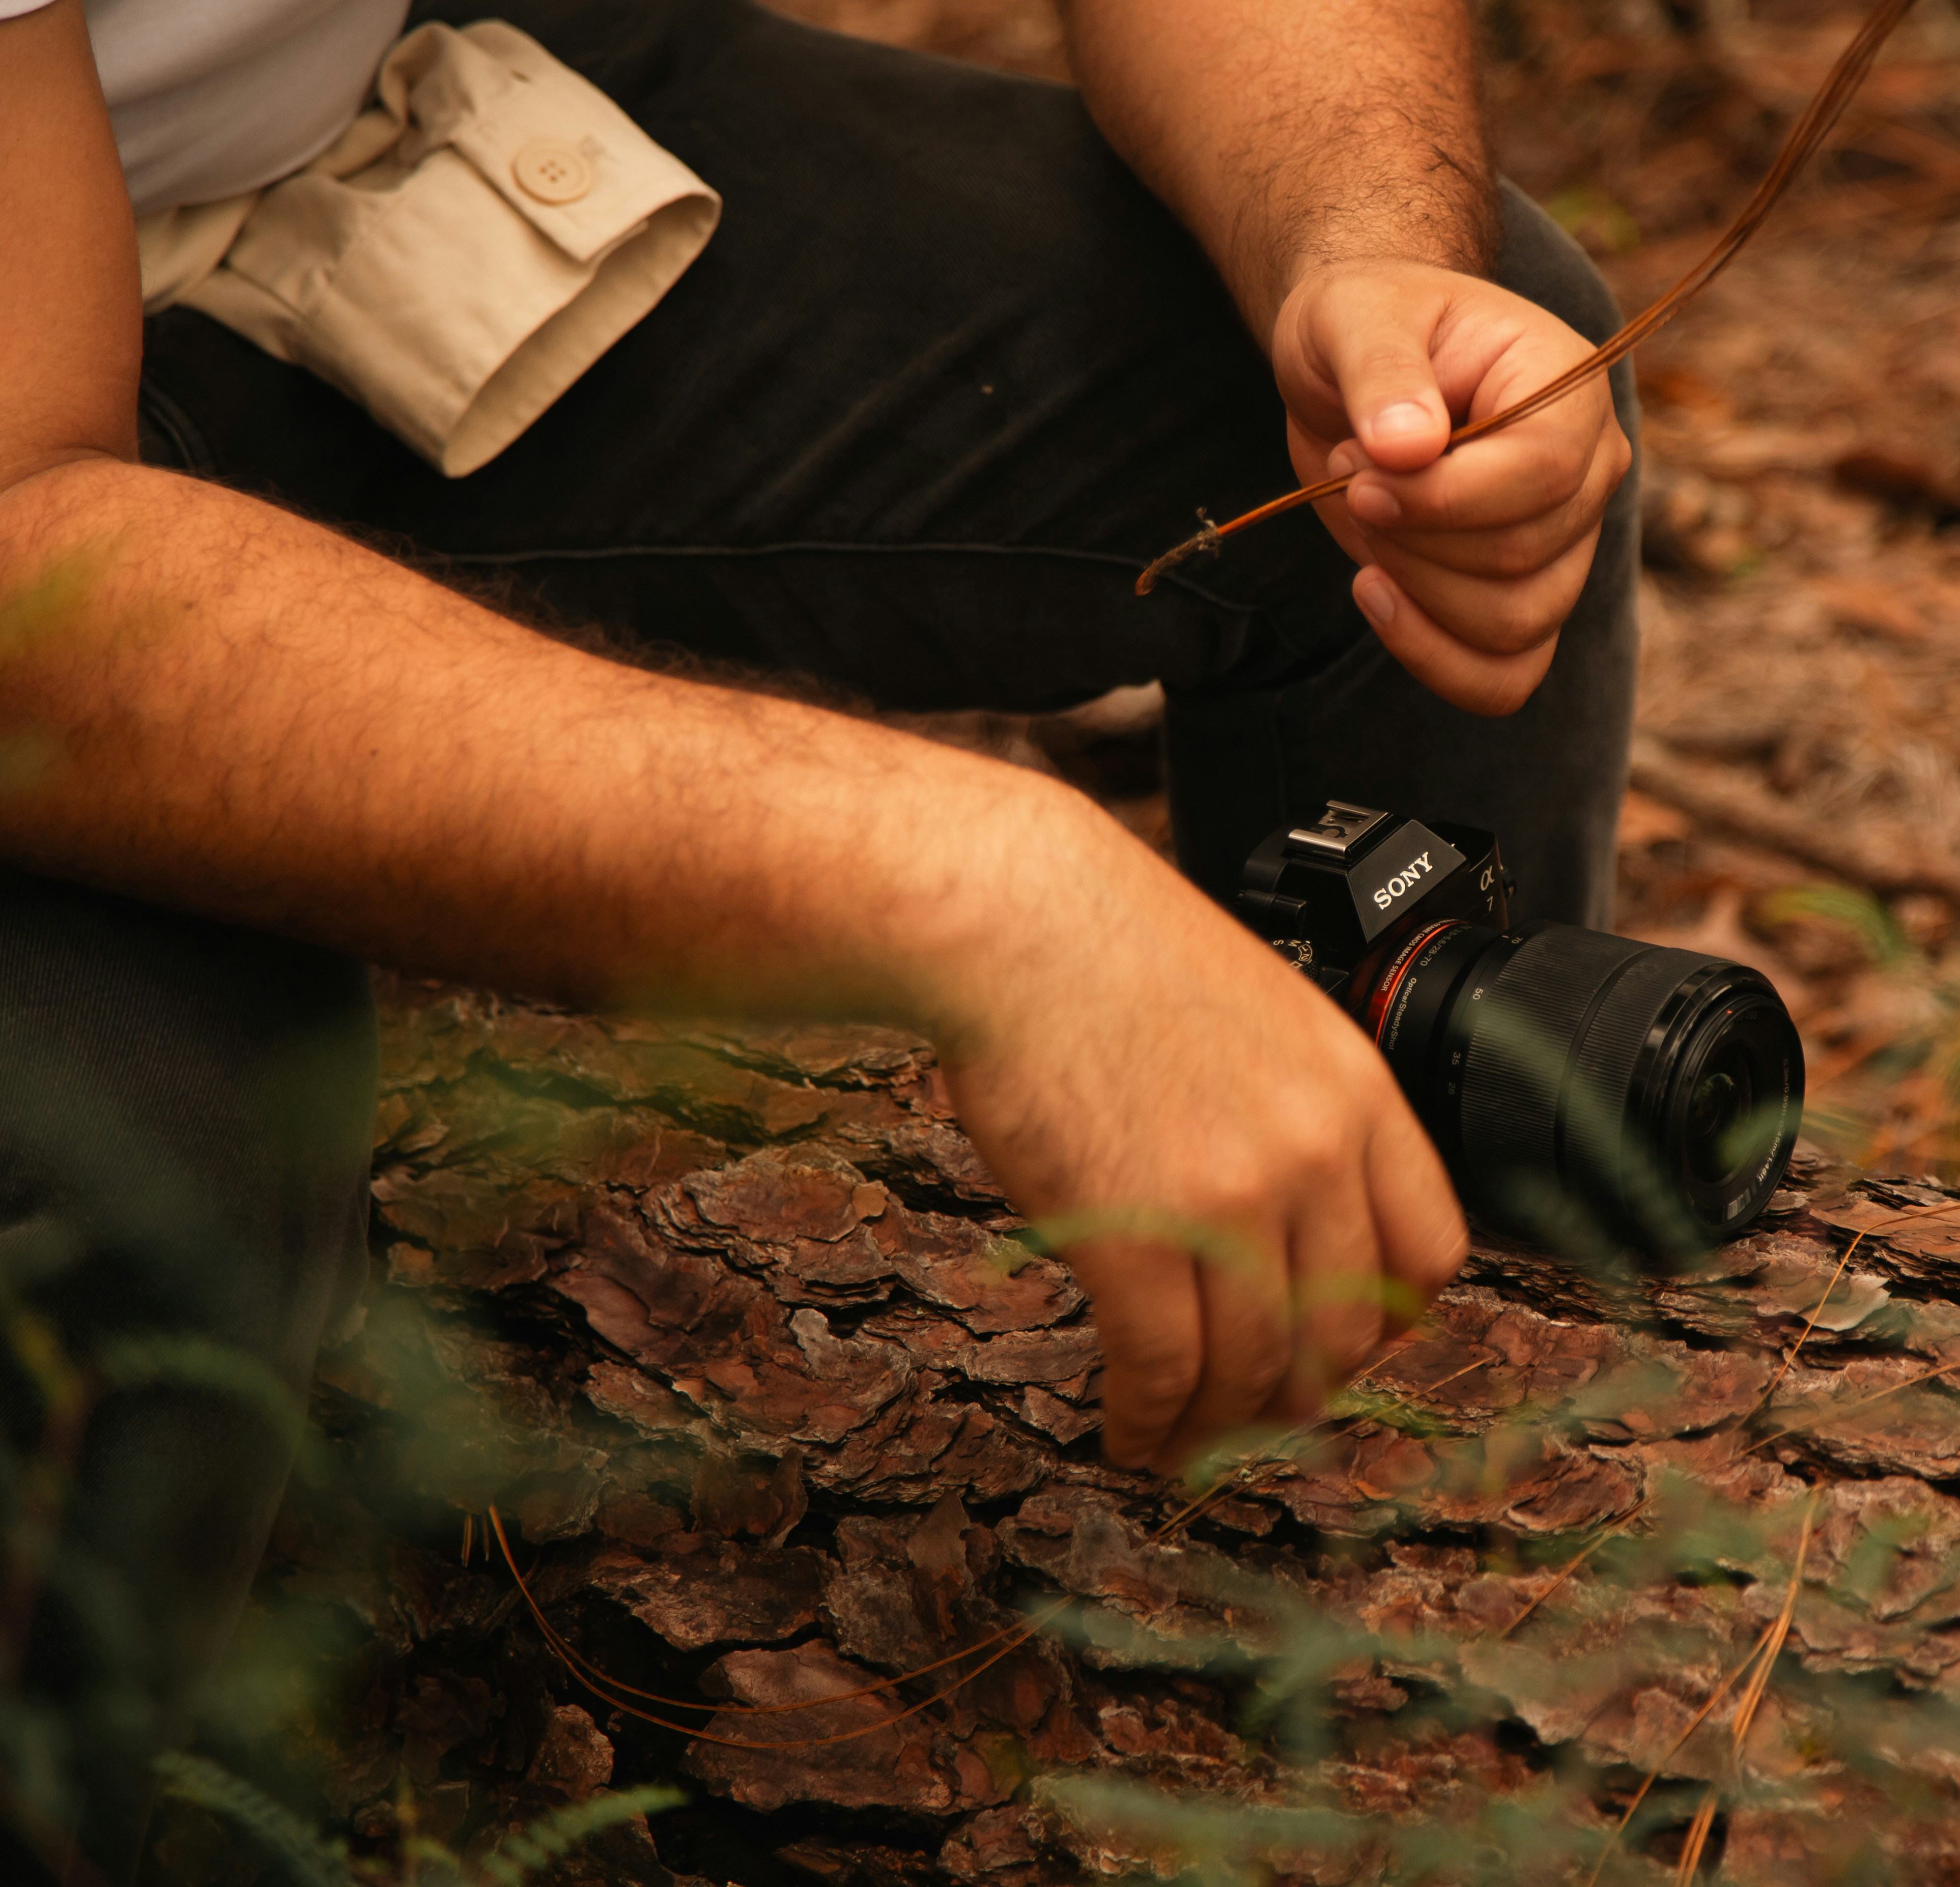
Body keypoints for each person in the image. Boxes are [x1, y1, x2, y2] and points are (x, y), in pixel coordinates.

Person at [0, 0, 1638, 1874]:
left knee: (1459, 433)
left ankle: (1422, 1494)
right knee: (128, 1179)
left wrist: (1368, 259)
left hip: (329, 120)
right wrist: (977, 888)